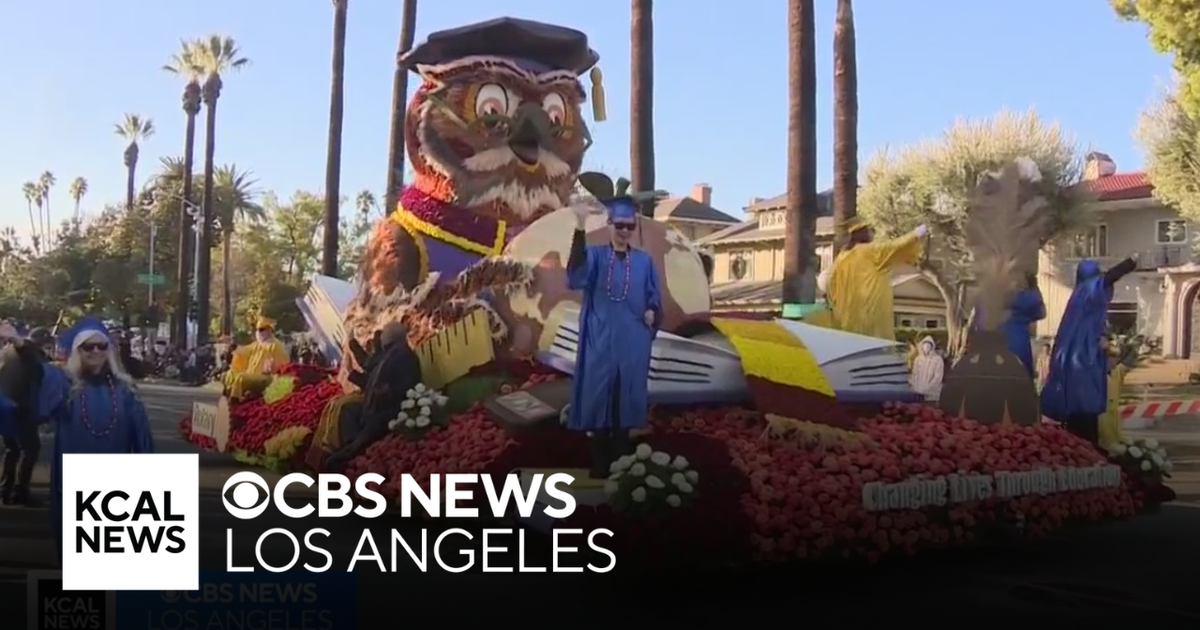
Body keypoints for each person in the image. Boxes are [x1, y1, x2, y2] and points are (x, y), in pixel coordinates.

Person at [0, 317, 153, 560]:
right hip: (75, 480)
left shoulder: (125, 391)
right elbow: (38, 371)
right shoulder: (65, 385)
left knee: (116, 549)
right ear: (77, 351)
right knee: (79, 548)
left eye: (101, 346)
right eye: (88, 347)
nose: (95, 351)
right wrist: (20, 342)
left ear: (109, 351)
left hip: (115, 479)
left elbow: (143, 438)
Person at [566, 194, 663, 478]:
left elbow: (654, 297)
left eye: (629, 226)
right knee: (599, 397)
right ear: (609, 224)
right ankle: (599, 465)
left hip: (633, 340)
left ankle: (621, 464)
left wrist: (652, 311)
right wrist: (580, 227)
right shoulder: (595, 255)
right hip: (600, 338)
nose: (624, 231)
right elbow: (576, 276)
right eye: (619, 225)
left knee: (626, 398)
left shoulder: (644, 262)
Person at [1041, 255, 1138, 444]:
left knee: (1082, 408)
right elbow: (1108, 278)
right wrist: (1129, 263)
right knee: (1083, 406)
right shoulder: (1087, 291)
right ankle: (1086, 450)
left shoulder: (1079, 297)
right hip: (1082, 357)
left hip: (1077, 355)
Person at [825, 218, 928, 340]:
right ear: (863, 233)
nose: (873, 234)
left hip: (847, 323)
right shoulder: (867, 252)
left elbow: (829, 285)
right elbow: (893, 247)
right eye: (870, 230)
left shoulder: (840, 259)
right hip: (872, 320)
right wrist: (916, 233)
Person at [0, 327, 51, 506]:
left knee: (12, 448)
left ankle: (6, 490)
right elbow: (36, 375)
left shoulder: (7, 351)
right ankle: (20, 491)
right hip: (20, 408)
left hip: (6, 406)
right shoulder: (28, 352)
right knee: (30, 448)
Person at [999, 272, 1046, 378]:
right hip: (1020, 345)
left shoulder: (998, 297)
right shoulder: (1027, 300)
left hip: (998, 345)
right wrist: (1034, 287)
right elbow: (1041, 312)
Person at [909, 336, 944, 401]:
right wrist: (914, 386)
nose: (926, 348)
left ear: (932, 347)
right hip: (917, 393)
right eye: (925, 346)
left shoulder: (938, 360)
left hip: (932, 395)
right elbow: (914, 374)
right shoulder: (918, 359)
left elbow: (938, 377)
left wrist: (929, 388)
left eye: (928, 346)